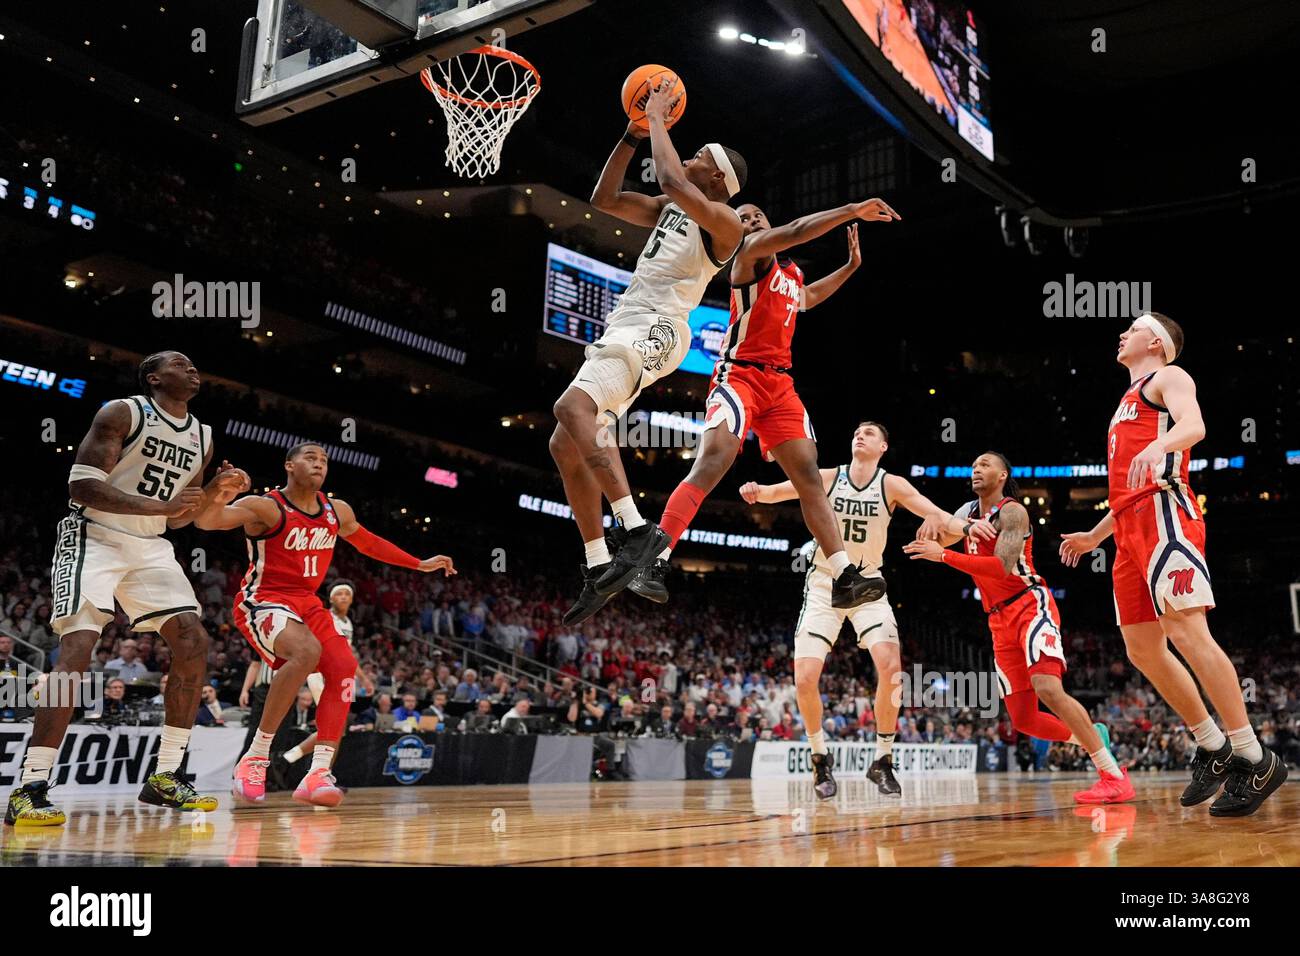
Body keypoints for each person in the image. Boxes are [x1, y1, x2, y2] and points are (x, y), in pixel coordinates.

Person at [7, 350, 249, 828]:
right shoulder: (122, 411)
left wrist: (216, 491)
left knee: (193, 641)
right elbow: (82, 486)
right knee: (77, 649)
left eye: (194, 364)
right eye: (181, 364)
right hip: (94, 534)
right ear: (154, 377)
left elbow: (181, 517)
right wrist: (159, 506)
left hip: (149, 544)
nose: (194, 369)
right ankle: (30, 787)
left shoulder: (202, 435)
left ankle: (166, 776)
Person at [626, 199, 901, 619]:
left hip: (780, 385)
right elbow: (795, 230)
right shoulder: (748, 256)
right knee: (712, 463)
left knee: (809, 475)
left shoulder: (791, 273)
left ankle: (845, 576)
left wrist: (850, 268)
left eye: (756, 215)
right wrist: (850, 210)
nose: (751, 220)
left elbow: (805, 298)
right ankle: (654, 558)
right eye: (742, 219)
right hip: (738, 375)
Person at [1060, 314, 1286, 816]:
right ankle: (1212, 744)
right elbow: (1126, 488)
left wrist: (1161, 443)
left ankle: (1254, 754)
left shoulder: (1169, 376)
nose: (1122, 334)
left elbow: (1196, 425)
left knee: (1187, 630)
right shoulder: (1125, 401)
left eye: (1132, 328)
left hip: (1165, 513)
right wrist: (1096, 535)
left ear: (1156, 343)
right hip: (1128, 526)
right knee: (1142, 648)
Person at [550, 79, 746, 625]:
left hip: (661, 328)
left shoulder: (724, 222)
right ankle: (596, 563)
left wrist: (658, 118)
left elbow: (669, 176)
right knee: (564, 442)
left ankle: (637, 531)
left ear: (717, 178)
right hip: (628, 320)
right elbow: (604, 200)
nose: (690, 154)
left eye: (700, 155)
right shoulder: (671, 201)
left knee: (572, 410)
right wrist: (632, 134)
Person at [193, 442, 455, 808]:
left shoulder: (336, 510)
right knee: (305, 652)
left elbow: (368, 543)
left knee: (344, 667)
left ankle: (317, 772)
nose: (319, 464)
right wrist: (219, 492)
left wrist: (420, 564)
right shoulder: (265, 507)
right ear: (289, 465)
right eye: (310, 458)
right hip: (264, 599)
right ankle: (254, 759)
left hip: (308, 604)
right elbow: (207, 520)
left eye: (324, 460)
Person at [740, 422, 992, 799]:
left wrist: (967, 526)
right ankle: (819, 758)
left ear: (884, 447)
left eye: (870, 434)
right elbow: (783, 490)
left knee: (891, 668)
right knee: (806, 678)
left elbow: (937, 514)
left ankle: (883, 761)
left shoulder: (892, 484)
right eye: (856, 431)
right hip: (825, 582)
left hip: (868, 584)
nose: (860, 435)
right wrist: (757, 491)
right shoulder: (828, 476)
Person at [904, 451, 1135, 805]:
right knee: (1024, 720)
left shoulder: (1013, 511)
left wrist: (943, 555)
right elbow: (946, 530)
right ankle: (1091, 736)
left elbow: (1000, 566)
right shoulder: (968, 514)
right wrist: (934, 520)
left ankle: (1112, 775)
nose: (976, 469)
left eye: (985, 464)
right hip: (997, 618)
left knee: (1047, 688)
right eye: (974, 465)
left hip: (1029, 604)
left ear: (1002, 475)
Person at [283, 581, 373, 767]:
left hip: (345, 676)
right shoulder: (324, 617)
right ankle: (294, 759)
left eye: (346, 594)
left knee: (340, 727)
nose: (343, 597)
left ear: (352, 599)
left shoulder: (348, 623)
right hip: (322, 673)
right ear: (331, 598)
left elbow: (346, 655)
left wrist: (363, 679)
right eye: (339, 593)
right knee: (332, 725)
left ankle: (322, 771)